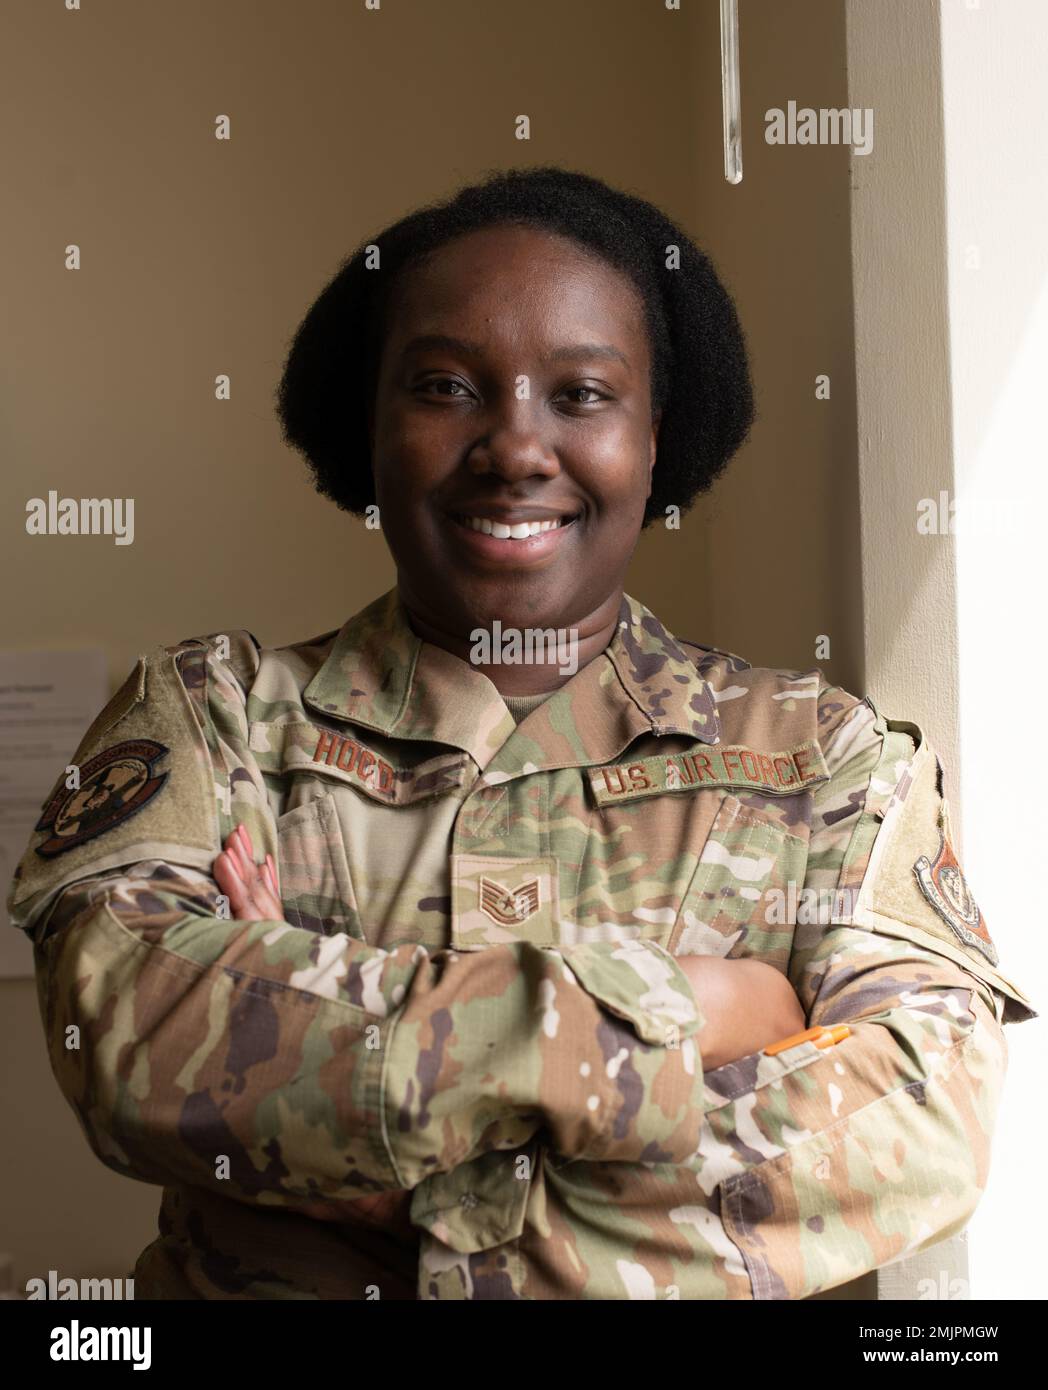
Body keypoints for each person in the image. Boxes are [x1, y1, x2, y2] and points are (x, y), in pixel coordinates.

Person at [8, 166, 1036, 1301]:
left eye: (582, 394)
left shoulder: (822, 761)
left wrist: (359, 1135)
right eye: (445, 386)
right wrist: (693, 1009)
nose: (513, 446)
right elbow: (134, 1036)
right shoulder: (215, 719)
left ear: (658, 437)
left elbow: (920, 1115)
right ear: (371, 428)